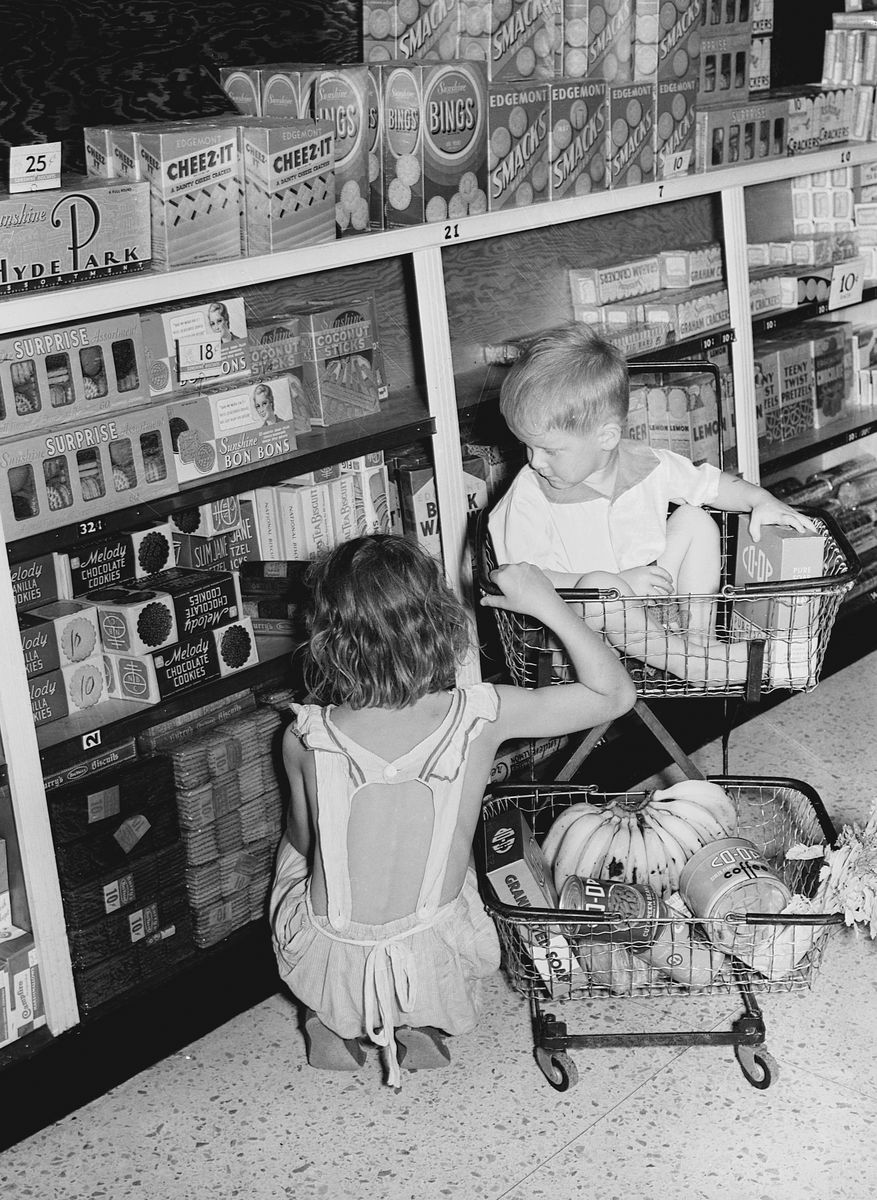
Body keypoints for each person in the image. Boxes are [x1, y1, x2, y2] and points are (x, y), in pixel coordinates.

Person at [269, 534, 635, 1088]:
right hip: (435, 944)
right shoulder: (482, 716)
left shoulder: (306, 735)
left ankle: (331, 1018)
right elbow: (614, 696)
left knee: (295, 854)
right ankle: (420, 1018)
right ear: (440, 622)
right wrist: (547, 602)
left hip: (332, 953)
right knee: (448, 859)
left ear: (325, 637)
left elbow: (304, 839)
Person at [488, 324, 817, 686]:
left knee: (694, 520)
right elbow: (522, 581)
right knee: (601, 586)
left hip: (651, 616)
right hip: (575, 642)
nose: (535, 461)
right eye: (528, 447)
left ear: (607, 437)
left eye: (549, 450)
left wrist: (761, 500)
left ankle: (699, 643)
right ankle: (692, 664)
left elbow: (710, 485)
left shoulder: (648, 465)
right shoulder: (530, 493)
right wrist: (617, 586)